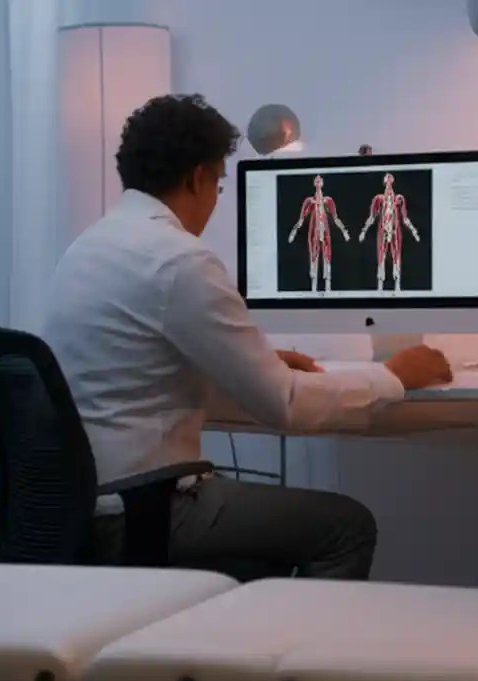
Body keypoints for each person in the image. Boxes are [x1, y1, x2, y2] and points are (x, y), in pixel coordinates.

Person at [43, 94, 452, 581]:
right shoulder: (179, 260)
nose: (216, 200)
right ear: (197, 177)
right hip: (144, 509)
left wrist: (253, 360)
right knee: (347, 526)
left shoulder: (89, 247)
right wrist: (392, 376)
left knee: (273, 545)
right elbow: (285, 405)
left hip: (81, 506)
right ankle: (291, 657)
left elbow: (131, 373)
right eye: (217, 183)